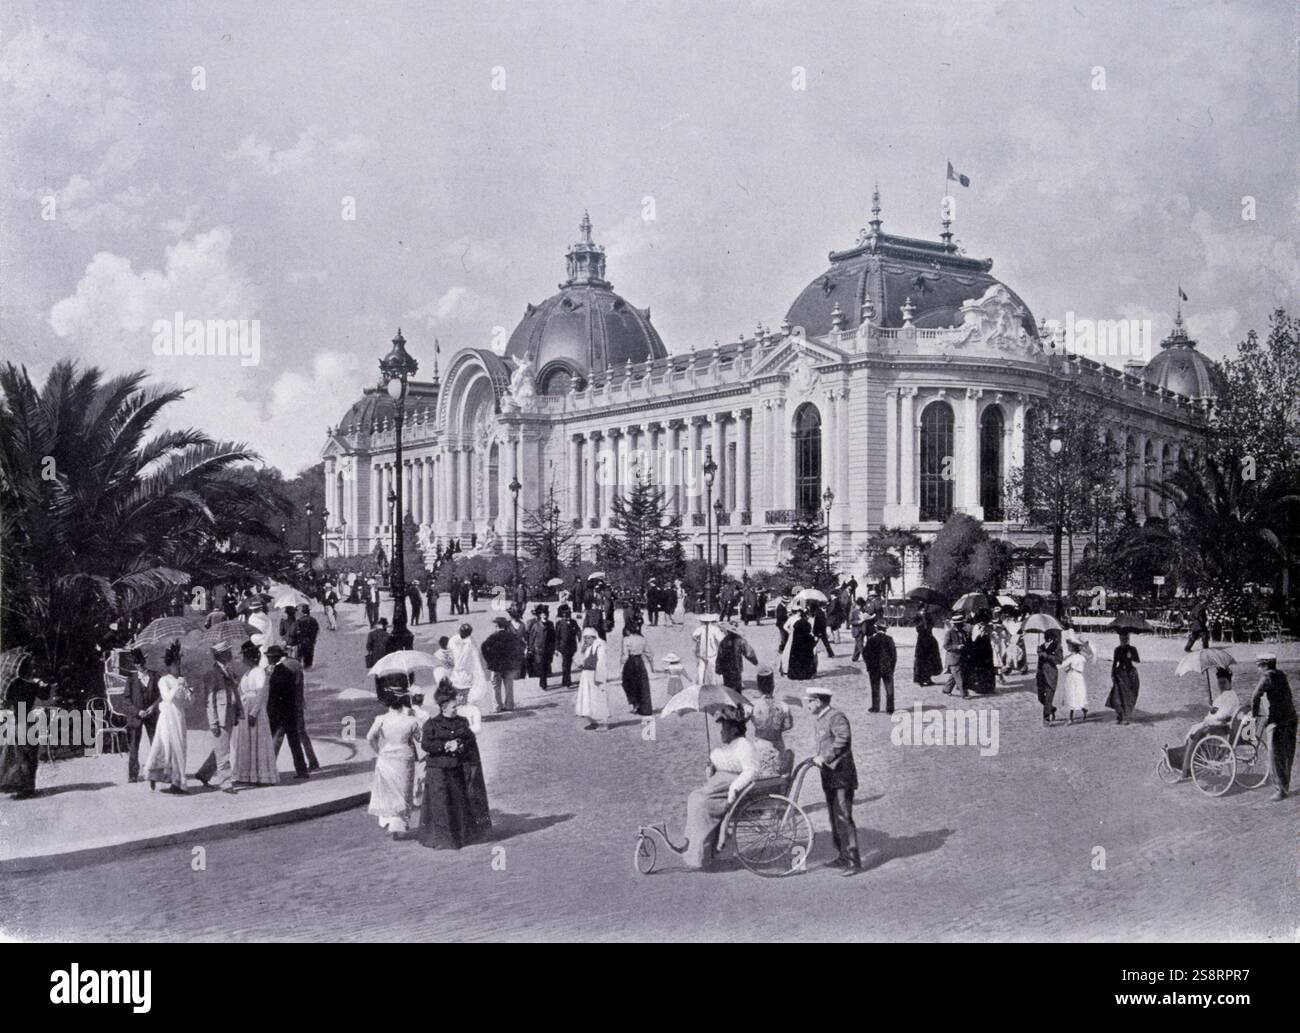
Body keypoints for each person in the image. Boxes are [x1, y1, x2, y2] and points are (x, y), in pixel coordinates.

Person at [400, 681, 492, 849]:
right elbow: (426, 745)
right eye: (453, 707)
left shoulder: (462, 722)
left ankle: (461, 837)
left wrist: (459, 743)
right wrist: (444, 746)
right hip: (438, 771)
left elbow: (470, 739)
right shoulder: (432, 724)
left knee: (458, 804)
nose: (456, 709)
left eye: (456, 707)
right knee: (441, 805)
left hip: (456, 769)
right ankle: (443, 839)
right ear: (443, 707)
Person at [680, 706, 756, 869]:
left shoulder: (743, 746)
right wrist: (711, 770)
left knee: (701, 804)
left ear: (734, 730)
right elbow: (720, 765)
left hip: (728, 790)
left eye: (724, 728)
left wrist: (734, 789)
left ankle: (701, 854)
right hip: (717, 786)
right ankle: (691, 843)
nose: (721, 732)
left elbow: (750, 770)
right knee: (694, 797)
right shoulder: (729, 745)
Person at [806, 686, 861, 874]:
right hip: (829, 775)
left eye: (810, 701)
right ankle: (842, 856)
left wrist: (826, 757)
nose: (807, 705)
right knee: (834, 816)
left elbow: (843, 739)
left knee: (844, 816)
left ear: (819, 701)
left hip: (841, 775)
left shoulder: (836, 717)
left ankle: (854, 861)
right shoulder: (821, 719)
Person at [366, 687, 421, 834]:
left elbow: (370, 737)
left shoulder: (381, 719)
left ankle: (391, 819)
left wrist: (378, 751)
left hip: (386, 757)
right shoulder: (411, 720)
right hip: (404, 755)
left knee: (390, 790)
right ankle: (401, 821)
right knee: (404, 789)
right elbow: (420, 738)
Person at [0, 654, 52, 799]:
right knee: (30, 754)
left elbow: (6, 702)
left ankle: (20, 787)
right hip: (28, 720)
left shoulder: (12, 685)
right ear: (27, 669)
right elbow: (45, 696)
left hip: (16, 721)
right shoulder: (32, 685)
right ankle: (29, 787)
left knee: (18, 755)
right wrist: (43, 685)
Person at [143, 640, 192, 793]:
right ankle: (161, 777)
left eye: (179, 664)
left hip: (179, 717)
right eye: (176, 664)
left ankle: (177, 781)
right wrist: (178, 685)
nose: (178, 667)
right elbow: (167, 698)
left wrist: (188, 691)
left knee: (181, 747)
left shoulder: (181, 680)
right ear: (169, 665)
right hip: (167, 718)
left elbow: (187, 703)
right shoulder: (164, 680)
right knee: (167, 746)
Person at [195, 643, 242, 792]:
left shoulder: (227, 671)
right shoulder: (213, 674)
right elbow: (209, 700)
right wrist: (213, 722)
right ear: (221, 655)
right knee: (224, 752)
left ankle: (204, 773)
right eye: (227, 652)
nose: (230, 655)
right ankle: (226, 783)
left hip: (230, 714)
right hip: (220, 717)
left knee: (220, 749)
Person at [1250, 654, 1296, 801]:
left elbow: (1255, 696)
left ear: (1264, 665)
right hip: (1291, 718)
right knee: (1287, 754)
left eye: (1259, 665)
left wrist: (1254, 715)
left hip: (1277, 721)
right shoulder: (1282, 674)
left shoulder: (1267, 677)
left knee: (1275, 756)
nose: (1258, 669)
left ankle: (1280, 790)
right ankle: (1285, 786)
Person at [232, 641, 278, 785]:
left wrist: (254, 712)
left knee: (257, 741)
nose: (243, 659)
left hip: (254, 711)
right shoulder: (247, 673)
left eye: (244, 656)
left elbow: (261, 694)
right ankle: (247, 775)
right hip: (245, 708)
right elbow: (241, 691)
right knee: (246, 742)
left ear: (250, 657)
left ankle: (260, 775)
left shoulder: (259, 672)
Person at [1172, 685, 1240, 779]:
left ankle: (1187, 767)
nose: (1220, 685)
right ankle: (1187, 760)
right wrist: (1213, 709)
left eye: (1222, 682)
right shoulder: (1230, 695)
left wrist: (1212, 715)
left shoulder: (1229, 696)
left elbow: (1223, 714)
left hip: (1220, 727)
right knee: (1195, 729)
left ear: (1228, 682)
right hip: (1221, 724)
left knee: (1195, 734)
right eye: (1219, 682)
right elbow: (1220, 712)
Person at [265, 645, 309, 779]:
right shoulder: (290, 668)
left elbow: (273, 696)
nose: (267, 659)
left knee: (273, 741)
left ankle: (268, 771)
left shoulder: (277, 672)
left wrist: (269, 712)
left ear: (272, 657)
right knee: (294, 742)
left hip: (279, 713)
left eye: (268, 657)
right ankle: (302, 770)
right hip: (291, 711)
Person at [120, 648, 159, 784]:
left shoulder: (155, 676)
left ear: (145, 661)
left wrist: (152, 707)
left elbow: (161, 696)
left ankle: (156, 771)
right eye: (136, 663)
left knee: (155, 743)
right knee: (134, 746)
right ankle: (133, 775)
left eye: (141, 662)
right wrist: (137, 711)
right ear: (134, 665)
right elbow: (126, 701)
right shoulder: (131, 679)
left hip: (152, 715)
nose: (139, 665)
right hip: (136, 717)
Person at [748, 668, 794, 776]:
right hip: (778, 746)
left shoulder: (752, 705)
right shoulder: (783, 706)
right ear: (773, 686)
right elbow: (788, 725)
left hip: (760, 749)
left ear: (758, 687)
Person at [450, 622, 495, 715]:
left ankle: (463, 712)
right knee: (461, 694)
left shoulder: (469, 643)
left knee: (463, 694)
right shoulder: (457, 640)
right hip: (460, 673)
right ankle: (462, 711)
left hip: (465, 673)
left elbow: (466, 660)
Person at [481, 616, 524, 712]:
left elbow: (483, 647)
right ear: (505, 626)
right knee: (509, 685)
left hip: (496, 666)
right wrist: (515, 660)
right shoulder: (512, 636)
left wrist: (489, 660)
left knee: (495, 686)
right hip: (509, 665)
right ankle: (509, 705)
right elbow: (521, 647)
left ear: (496, 626)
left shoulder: (493, 637)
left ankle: (497, 706)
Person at [574, 627, 610, 730]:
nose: (586, 640)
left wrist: (599, 678)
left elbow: (601, 663)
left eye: (588, 638)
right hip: (586, 676)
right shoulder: (587, 647)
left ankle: (603, 723)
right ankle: (593, 721)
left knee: (598, 699)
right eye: (585, 638)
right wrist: (581, 651)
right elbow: (578, 662)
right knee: (587, 699)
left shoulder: (600, 646)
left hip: (595, 676)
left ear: (594, 637)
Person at [1105, 630, 1141, 725]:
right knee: (1118, 695)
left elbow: (1137, 661)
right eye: (1121, 639)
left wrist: (1131, 657)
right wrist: (1112, 674)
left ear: (1128, 639)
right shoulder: (1117, 650)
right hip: (1120, 674)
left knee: (1129, 695)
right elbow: (1114, 663)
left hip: (1130, 674)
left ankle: (1126, 716)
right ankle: (1120, 716)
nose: (1123, 641)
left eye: (1125, 639)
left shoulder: (1133, 649)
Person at [863, 617, 898, 714]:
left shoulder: (871, 640)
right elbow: (894, 655)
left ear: (876, 628)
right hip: (887, 667)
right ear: (885, 629)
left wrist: (868, 666)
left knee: (875, 688)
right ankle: (890, 708)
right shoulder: (889, 639)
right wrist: (892, 667)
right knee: (889, 688)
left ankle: (875, 707)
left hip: (874, 668)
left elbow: (865, 654)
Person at [620, 619, 655, 716]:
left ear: (628, 629)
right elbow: (649, 653)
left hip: (630, 662)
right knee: (642, 685)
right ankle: (645, 708)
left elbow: (625, 655)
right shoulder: (642, 638)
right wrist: (652, 666)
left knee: (628, 683)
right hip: (640, 662)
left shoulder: (626, 639)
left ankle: (635, 704)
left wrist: (621, 666)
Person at [715, 622, 758, 692]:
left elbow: (720, 656)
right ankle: (738, 702)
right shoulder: (740, 640)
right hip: (737, 668)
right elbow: (749, 653)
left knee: (728, 688)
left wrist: (718, 668)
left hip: (726, 669)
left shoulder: (724, 641)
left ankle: (730, 702)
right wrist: (755, 661)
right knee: (737, 688)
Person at [1059, 634, 1091, 722]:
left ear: (1073, 648)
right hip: (1079, 677)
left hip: (1073, 677)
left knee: (1072, 695)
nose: (1068, 647)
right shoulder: (1081, 657)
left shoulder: (1072, 658)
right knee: (1076, 695)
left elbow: (1062, 665)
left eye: (1069, 646)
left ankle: (1071, 718)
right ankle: (1082, 710)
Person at [526, 605, 556, 690]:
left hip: (548, 649)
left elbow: (553, 637)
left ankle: (543, 681)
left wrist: (554, 648)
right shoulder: (536, 625)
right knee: (542, 666)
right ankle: (543, 684)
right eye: (543, 614)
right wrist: (531, 649)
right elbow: (531, 638)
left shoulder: (550, 624)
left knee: (547, 665)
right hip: (539, 649)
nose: (545, 616)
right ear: (540, 615)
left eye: (546, 614)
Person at [1036, 629, 1063, 724]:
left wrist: (1046, 656)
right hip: (1041, 675)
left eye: (1048, 638)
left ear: (1051, 638)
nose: (1046, 639)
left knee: (1048, 697)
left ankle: (1046, 718)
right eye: (1045, 638)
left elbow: (1059, 660)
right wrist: (1039, 652)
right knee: (1040, 697)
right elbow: (1040, 661)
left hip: (1051, 676)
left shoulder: (1057, 647)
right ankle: (1051, 708)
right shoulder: (1042, 646)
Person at [784, 606, 818, 680]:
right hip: (804, 645)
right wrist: (813, 640)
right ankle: (806, 674)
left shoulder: (797, 622)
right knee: (805, 660)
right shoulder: (806, 624)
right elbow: (808, 634)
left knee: (795, 659)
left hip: (796, 643)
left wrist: (790, 633)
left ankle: (794, 674)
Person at [913, 604, 943, 686]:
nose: (924, 610)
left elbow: (931, 625)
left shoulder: (928, 616)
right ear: (919, 610)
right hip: (922, 640)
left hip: (929, 639)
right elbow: (918, 628)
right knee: (921, 660)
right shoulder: (917, 617)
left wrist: (926, 618)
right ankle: (920, 679)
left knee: (930, 659)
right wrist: (922, 620)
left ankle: (928, 678)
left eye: (925, 609)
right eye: (922, 609)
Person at [942, 613, 969, 698]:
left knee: (955, 675)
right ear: (956, 624)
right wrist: (957, 647)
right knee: (959, 675)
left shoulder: (964, 632)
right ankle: (964, 693)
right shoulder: (949, 632)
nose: (962, 624)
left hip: (963, 657)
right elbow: (946, 645)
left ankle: (946, 689)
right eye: (960, 623)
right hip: (953, 657)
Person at [555, 604, 580, 688]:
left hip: (572, 646)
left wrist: (579, 636)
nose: (567, 616)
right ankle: (567, 681)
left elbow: (578, 630)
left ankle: (565, 680)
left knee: (568, 663)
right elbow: (557, 636)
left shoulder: (573, 622)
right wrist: (557, 648)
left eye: (568, 614)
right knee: (565, 663)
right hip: (563, 646)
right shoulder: (559, 623)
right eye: (565, 615)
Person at [295, 604, 320, 669]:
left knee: (300, 653)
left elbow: (297, 631)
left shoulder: (299, 620)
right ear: (309, 612)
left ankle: (298, 666)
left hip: (301, 640)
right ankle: (308, 666)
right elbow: (316, 629)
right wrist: (314, 638)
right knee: (309, 653)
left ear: (303, 612)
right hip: (310, 640)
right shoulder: (313, 620)